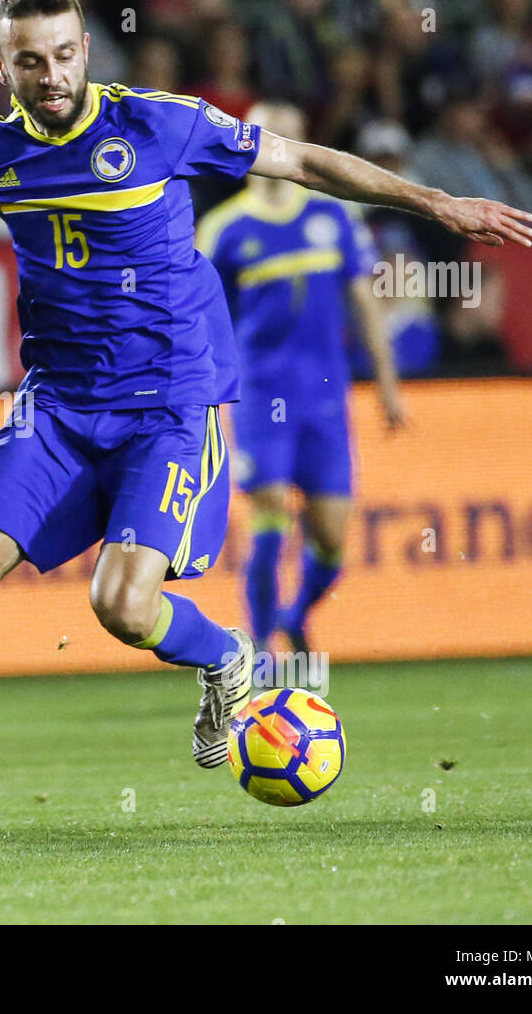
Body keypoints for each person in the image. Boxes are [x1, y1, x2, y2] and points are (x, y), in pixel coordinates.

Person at [0, 0, 532, 841]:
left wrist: (433, 201)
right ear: (2, 66)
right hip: (60, 406)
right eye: (32, 61)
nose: (54, 74)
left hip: (169, 404)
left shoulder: (157, 122)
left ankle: (227, 656)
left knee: (121, 607)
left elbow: (299, 160)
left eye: (67, 54)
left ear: (85, 50)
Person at [197, 101, 406, 657]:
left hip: (325, 399)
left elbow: (364, 302)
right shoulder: (223, 228)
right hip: (261, 396)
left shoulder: (333, 216)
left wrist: (387, 383)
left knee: (333, 538)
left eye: (290, 135)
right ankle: (259, 653)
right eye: (268, 136)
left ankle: (295, 614)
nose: (278, 145)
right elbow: (199, 315)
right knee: (268, 516)